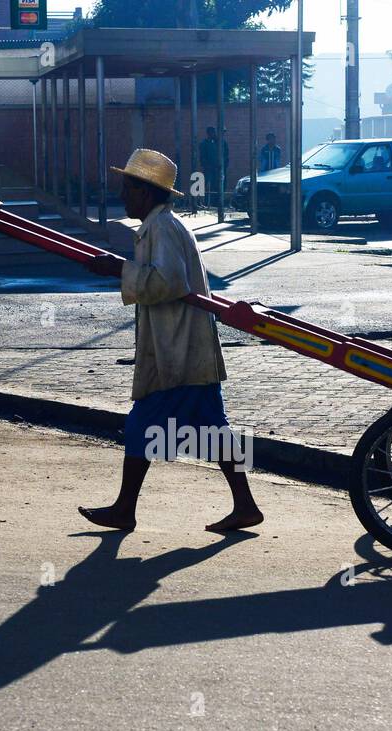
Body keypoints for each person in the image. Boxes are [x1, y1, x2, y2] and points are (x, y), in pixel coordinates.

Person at [81, 148, 262, 534]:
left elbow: (168, 282)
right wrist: (124, 269)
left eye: (127, 189)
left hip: (178, 348)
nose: (123, 197)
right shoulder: (162, 224)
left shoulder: (161, 228)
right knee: (215, 430)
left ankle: (124, 510)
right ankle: (245, 505)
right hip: (186, 344)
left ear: (145, 192)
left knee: (142, 425)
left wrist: (118, 269)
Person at [198, 126, 229, 207]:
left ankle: (216, 202)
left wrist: (224, 166)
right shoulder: (204, 143)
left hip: (219, 168)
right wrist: (206, 165)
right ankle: (205, 202)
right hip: (209, 168)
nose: (214, 134)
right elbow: (202, 156)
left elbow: (226, 155)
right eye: (213, 133)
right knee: (207, 184)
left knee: (218, 184)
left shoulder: (221, 143)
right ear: (209, 134)